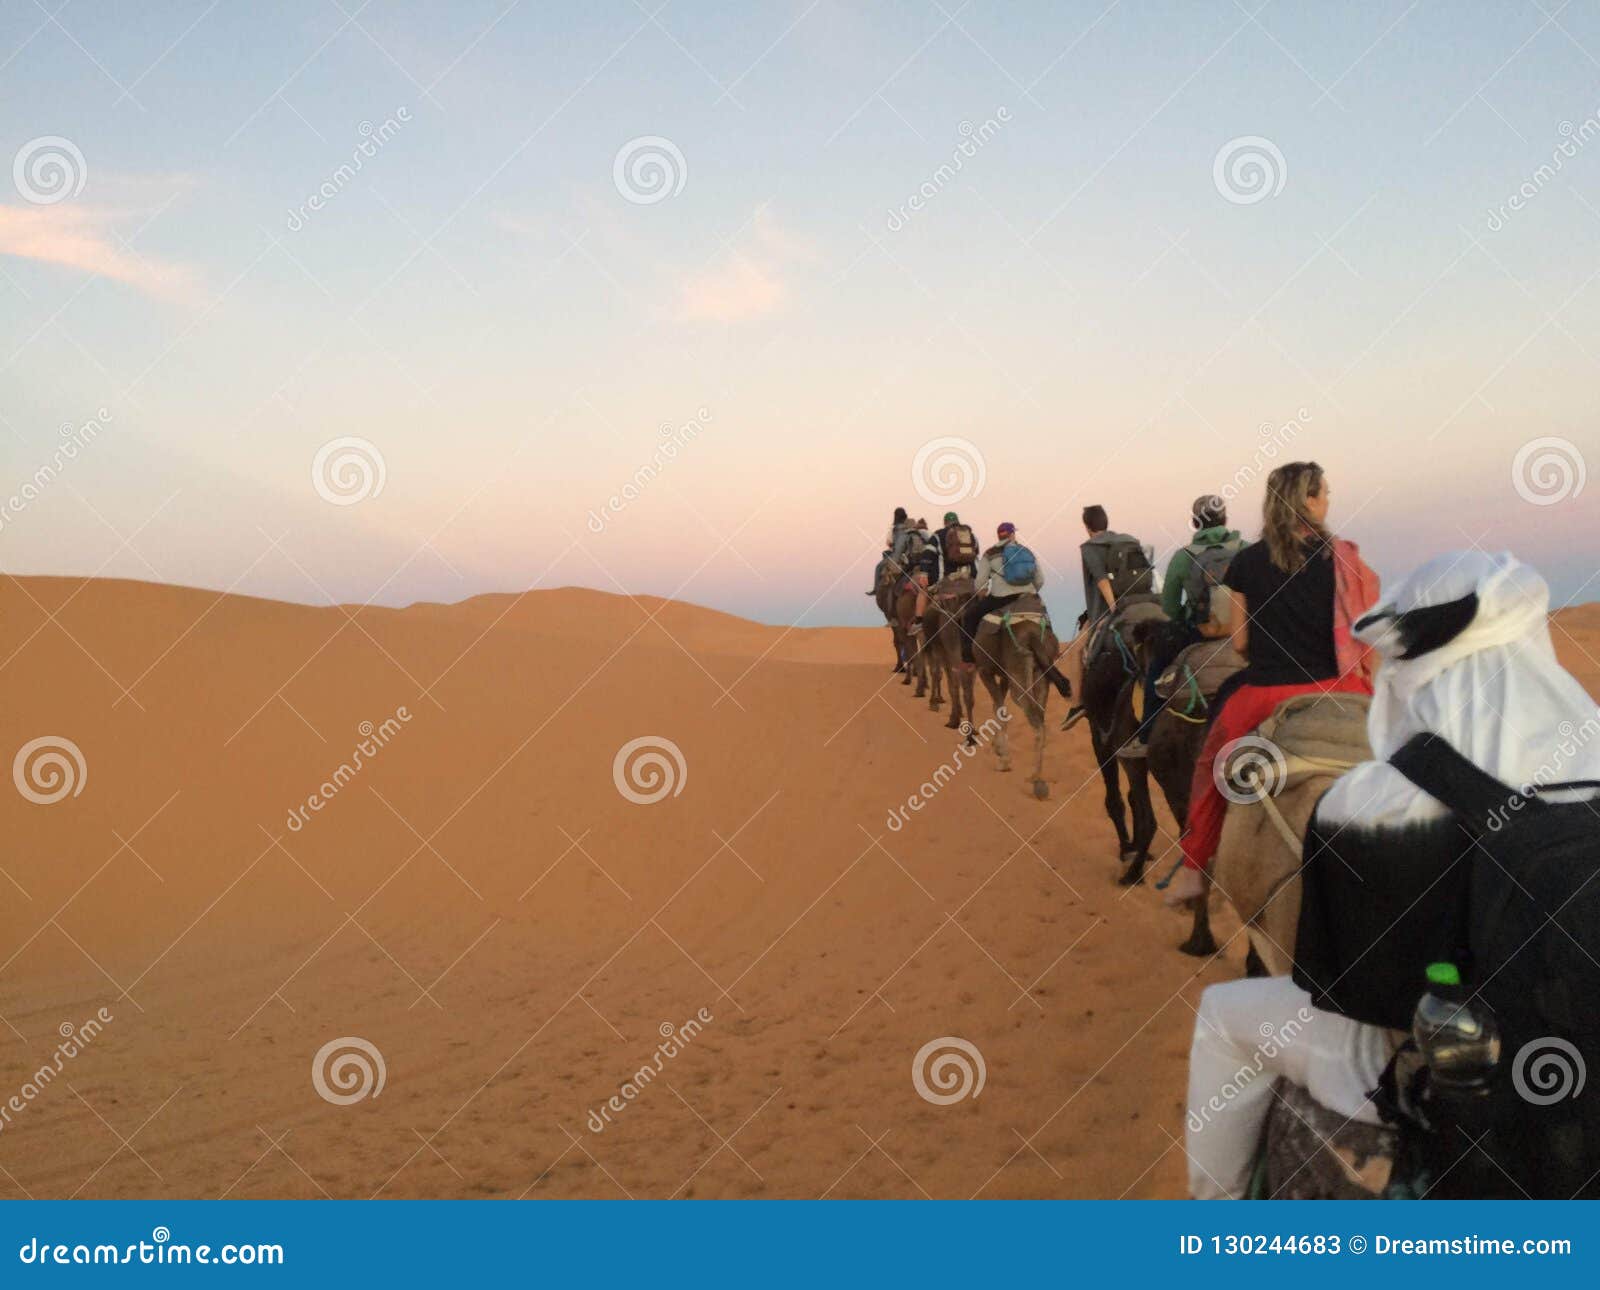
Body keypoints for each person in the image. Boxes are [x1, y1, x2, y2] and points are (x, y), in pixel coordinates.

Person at [1183, 550, 1600, 1199]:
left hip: (1427, 1076)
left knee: (1223, 1017)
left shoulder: (1374, 804)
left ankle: (1214, 1224)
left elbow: (1343, 985)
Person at [1165, 461, 1379, 905]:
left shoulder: (1247, 562)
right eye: (1323, 493)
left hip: (1264, 694)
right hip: (1340, 690)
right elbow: (1367, 633)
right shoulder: (1345, 559)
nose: (1328, 501)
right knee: (1403, 750)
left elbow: (1240, 642)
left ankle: (1193, 870)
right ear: (1308, 500)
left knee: (1212, 765)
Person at [1131, 496, 1244, 745]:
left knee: (1157, 667)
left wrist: (1190, 618)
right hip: (1245, 630)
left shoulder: (1183, 558)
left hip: (1201, 632)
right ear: (1225, 518)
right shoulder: (1246, 549)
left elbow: (1170, 607)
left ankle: (1146, 735)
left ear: (1195, 522)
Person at [1058, 505, 1154, 730]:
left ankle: (1078, 704)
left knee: (1076, 652)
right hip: (1143, 602)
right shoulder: (1129, 541)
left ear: (1087, 526)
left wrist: (1113, 608)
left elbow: (1101, 580)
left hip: (1107, 611)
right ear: (1106, 521)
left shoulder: (1090, 547)